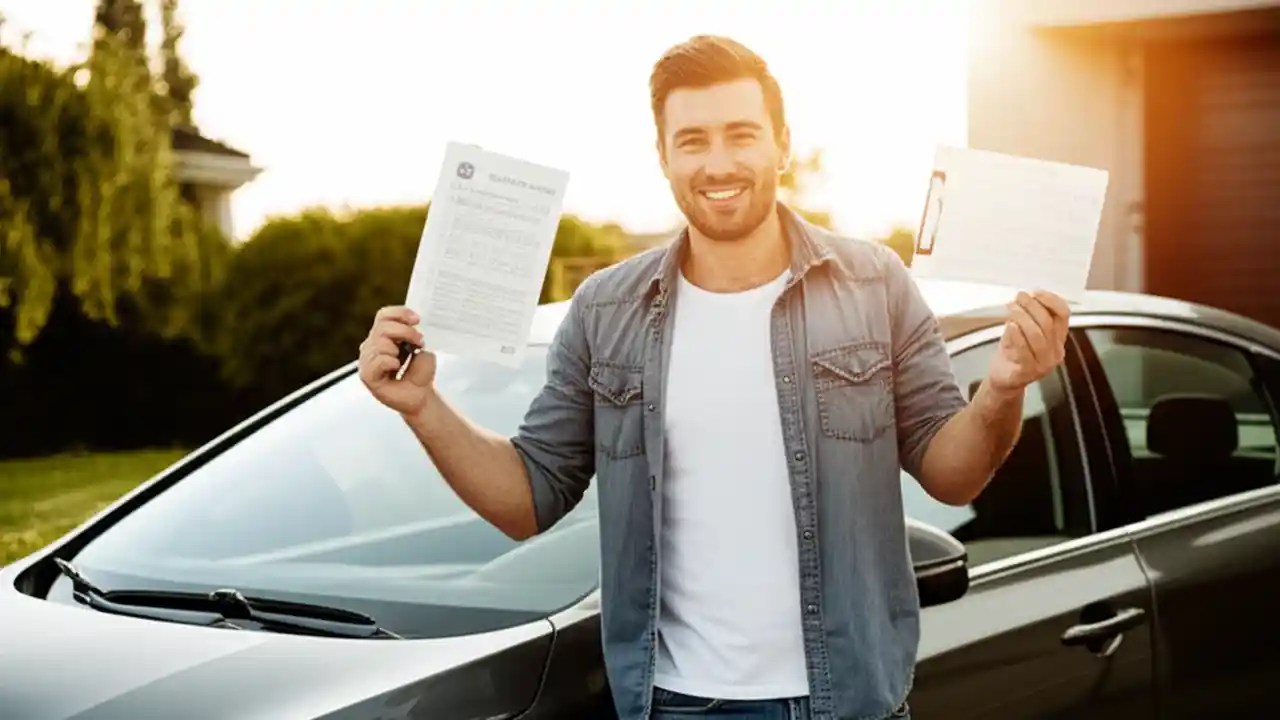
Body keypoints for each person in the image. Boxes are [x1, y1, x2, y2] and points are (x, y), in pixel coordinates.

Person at [358, 35, 1069, 720]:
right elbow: (527, 499)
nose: (718, 162)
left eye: (741, 134)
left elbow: (954, 476)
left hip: (850, 702)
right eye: (692, 140)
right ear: (663, 156)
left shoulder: (873, 284)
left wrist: (1004, 386)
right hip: (676, 704)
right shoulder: (605, 309)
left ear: (781, 144)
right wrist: (423, 407)